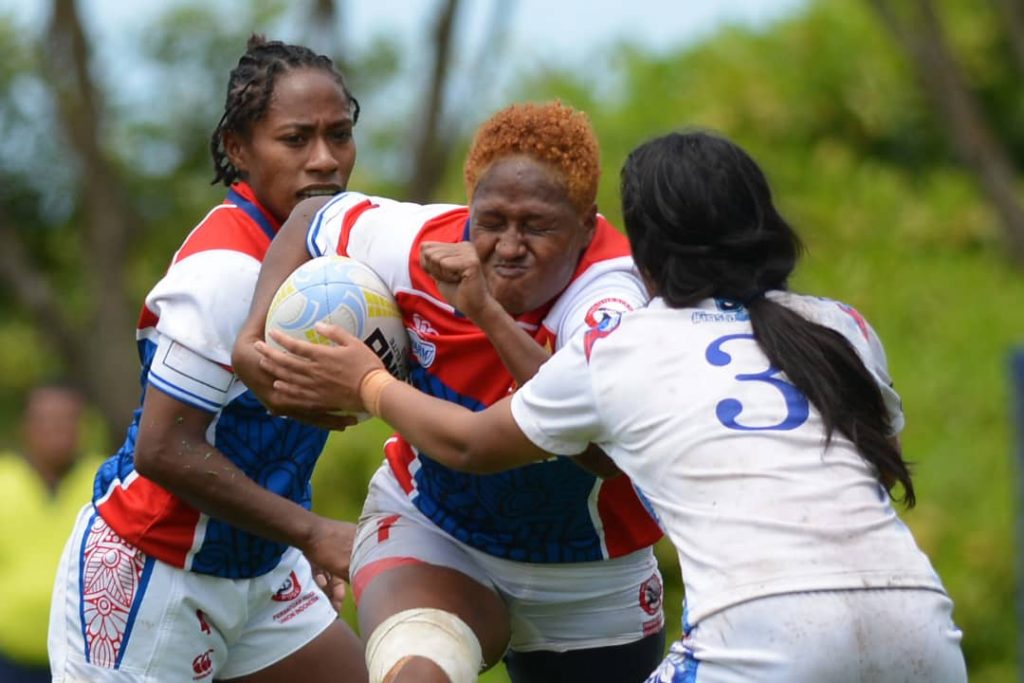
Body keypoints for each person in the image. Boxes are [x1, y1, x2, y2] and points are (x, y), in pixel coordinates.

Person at [255, 130, 969, 682]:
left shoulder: (628, 343)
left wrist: (367, 384)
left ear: (638, 251)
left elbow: (474, 444)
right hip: (922, 625)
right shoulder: (841, 326)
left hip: (764, 635)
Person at [232, 101, 666, 683]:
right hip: (434, 528)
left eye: (536, 227)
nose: (508, 248)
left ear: (586, 227)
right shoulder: (415, 242)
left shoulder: (611, 297)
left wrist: (483, 312)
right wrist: (250, 337)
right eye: (490, 222)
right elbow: (313, 214)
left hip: (587, 572)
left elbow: (599, 452)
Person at [47, 35, 368, 682]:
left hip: (259, 570)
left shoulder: (330, 253)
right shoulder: (225, 269)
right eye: (296, 139)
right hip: (153, 571)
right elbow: (163, 449)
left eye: (339, 134)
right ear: (237, 148)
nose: (325, 160)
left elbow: (265, 432)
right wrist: (310, 531)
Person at [0, 383, 98, 683]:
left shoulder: (105, 482)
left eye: (66, 419)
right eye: (46, 420)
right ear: (26, 426)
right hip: (9, 657)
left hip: (87, 660)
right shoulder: (4, 479)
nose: (57, 430)